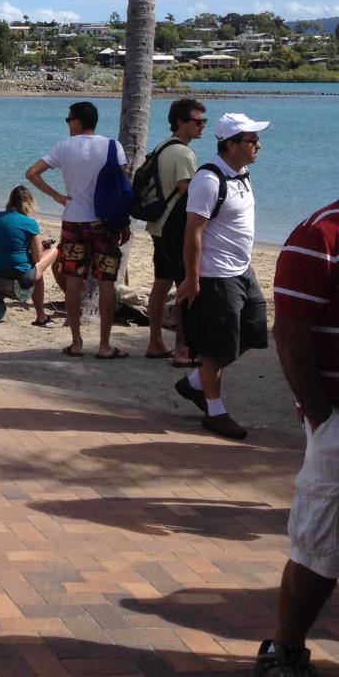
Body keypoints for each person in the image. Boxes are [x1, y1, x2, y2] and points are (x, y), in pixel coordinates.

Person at [254, 197, 339, 677]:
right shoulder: (321, 234)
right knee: (318, 548)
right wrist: (324, 421)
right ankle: (285, 652)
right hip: (337, 420)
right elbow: (289, 330)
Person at [173, 112, 269, 440]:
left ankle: (197, 383)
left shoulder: (240, 174)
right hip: (215, 276)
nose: (258, 145)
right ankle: (215, 411)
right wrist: (192, 277)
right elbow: (193, 232)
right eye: (251, 140)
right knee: (215, 347)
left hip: (242, 270)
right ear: (231, 144)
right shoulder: (209, 179)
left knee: (253, 332)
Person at [25, 101, 128, 360]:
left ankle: (77, 342)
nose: (68, 123)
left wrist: (58, 196)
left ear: (78, 121)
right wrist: (124, 222)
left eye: (69, 119)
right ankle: (105, 345)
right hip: (104, 223)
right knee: (107, 281)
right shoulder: (113, 146)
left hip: (73, 221)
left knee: (73, 280)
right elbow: (121, 189)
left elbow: (32, 173)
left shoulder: (64, 147)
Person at [144, 98, 207, 363]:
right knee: (186, 287)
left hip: (158, 226)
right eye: (197, 121)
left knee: (160, 285)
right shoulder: (183, 153)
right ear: (181, 122)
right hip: (176, 230)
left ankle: (155, 341)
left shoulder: (162, 146)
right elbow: (188, 194)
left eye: (204, 121)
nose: (202, 126)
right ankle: (182, 349)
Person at [0, 185, 59, 327]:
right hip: (19, 273)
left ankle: (41, 316)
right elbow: (37, 259)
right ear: (28, 203)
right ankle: (41, 316)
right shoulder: (30, 223)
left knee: (36, 262)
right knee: (54, 251)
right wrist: (43, 249)